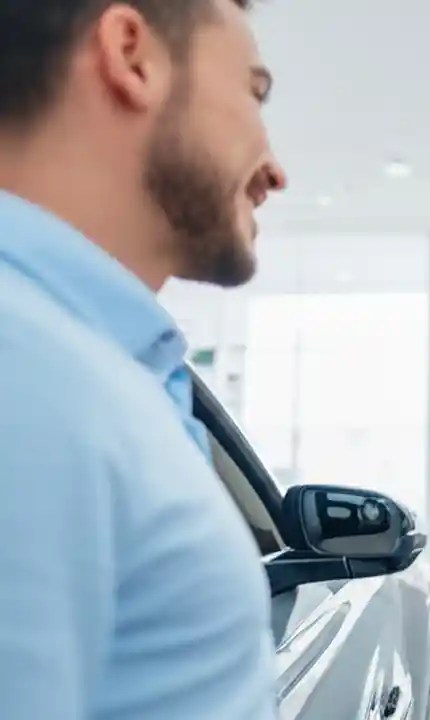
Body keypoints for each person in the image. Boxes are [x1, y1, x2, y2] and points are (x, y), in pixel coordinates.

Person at [0, 1, 286, 718]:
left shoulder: (91, 367)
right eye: (254, 92)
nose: (276, 172)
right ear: (132, 55)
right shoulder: (22, 374)